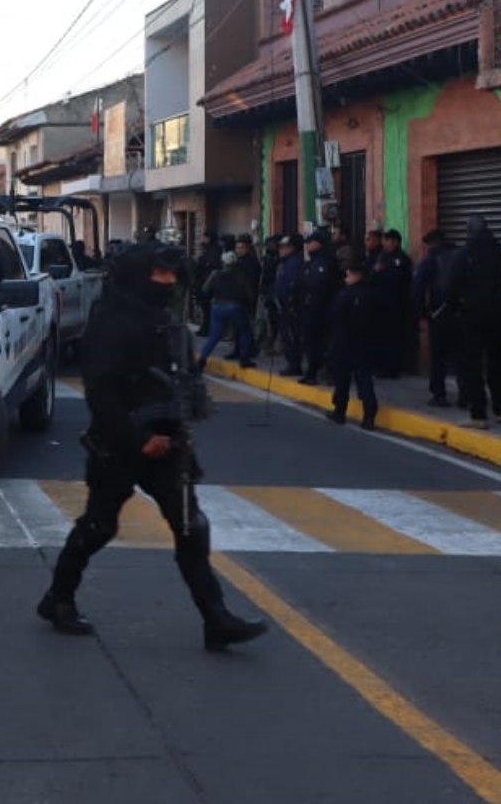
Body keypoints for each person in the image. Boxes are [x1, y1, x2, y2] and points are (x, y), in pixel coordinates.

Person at [36, 241, 269, 651]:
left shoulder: (161, 318)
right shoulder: (111, 321)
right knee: (98, 526)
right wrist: (139, 439)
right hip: (122, 445)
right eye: (160, 275)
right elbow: (101, 394)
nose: (169, 282)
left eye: (172, 275)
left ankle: (216, 619)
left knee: (191, 529)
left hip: (169, 442)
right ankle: (58, 598)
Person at [445, 216, 501, 429]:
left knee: (472, 365)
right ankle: (500, 411)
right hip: (496, 316)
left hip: (471, 317)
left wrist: (456, 310)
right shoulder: (500, 253)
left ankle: (478, 415)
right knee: (496, 362)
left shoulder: (463, 255)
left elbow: (449, 289)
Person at [327, 260, 381, 429]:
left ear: (357, 275)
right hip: (366, 343)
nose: (346, 277)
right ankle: (369, 417)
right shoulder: (372, 294)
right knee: (364, 379)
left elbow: (334, 317)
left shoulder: (345, 295)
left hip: (345, 343)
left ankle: (339, 412)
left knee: (342, 379)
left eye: (348, 274)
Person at [414, 230, 460, 408]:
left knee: (438, 357)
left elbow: (418, 288)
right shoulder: (460, 256)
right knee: (463, 356)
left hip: (439, 314)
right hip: (461, 314)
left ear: (431, 244)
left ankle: (439, 395)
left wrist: (422, 313)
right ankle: (466, 395)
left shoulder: (430, 261)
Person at [197, 250, 255, 371]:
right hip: (235, 307)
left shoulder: (215, 274)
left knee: (214, 336)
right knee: (244, 332)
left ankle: (202, 360)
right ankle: (244, 360)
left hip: (218, 306)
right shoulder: (241, 275)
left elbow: (205, 289)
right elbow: (249, 293)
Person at [297, 231, 340, 385]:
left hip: (323, 309)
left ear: (319, 243)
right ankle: (312, 372)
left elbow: (320, 284)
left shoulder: (325, 261)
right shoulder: (311, 261)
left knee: (323, 343)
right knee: (311, 342)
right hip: (310, 309)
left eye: (310, 242)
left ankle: (327, 373)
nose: (308, 245)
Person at [373, 229, 414, 378]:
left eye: (388, 240)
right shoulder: (382, 256)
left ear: (396, 242)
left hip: (396, 304)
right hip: (381, 304)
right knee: (381, 337)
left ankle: (392, 368)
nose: (385, 244)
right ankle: (381, 366)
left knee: (393, 338)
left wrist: (381, 272)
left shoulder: (401, 259)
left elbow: (397, 280)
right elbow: (374, 274)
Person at [274, 236, 304, 375]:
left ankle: (294, 364)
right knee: (286, 336)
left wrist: (290, 304)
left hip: (290, 307)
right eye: (280, 247)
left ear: (292, 248)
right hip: (282, 305)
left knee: (291, 337)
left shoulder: (294, 263)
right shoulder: (284, 262)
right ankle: (292, 363)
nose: (281, 250)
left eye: (284, 247)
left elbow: (293, 286)